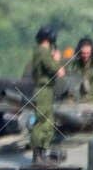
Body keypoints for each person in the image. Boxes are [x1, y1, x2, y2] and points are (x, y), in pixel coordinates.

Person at [27, 25, 65, 161]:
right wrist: (57, 60)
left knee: (48, 122)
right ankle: (38, 153)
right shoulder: (43, 51)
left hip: (47, 90)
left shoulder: (40, 51)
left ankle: (42, 151)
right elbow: (54, 68)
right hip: (43, 90)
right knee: (42, 121)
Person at [72, 36, 93, 101]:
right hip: (77, 96)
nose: (85, 56)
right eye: (83, 53)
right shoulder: (75, 64)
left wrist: (91, 92)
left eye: (88, 53)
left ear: (92, 52)